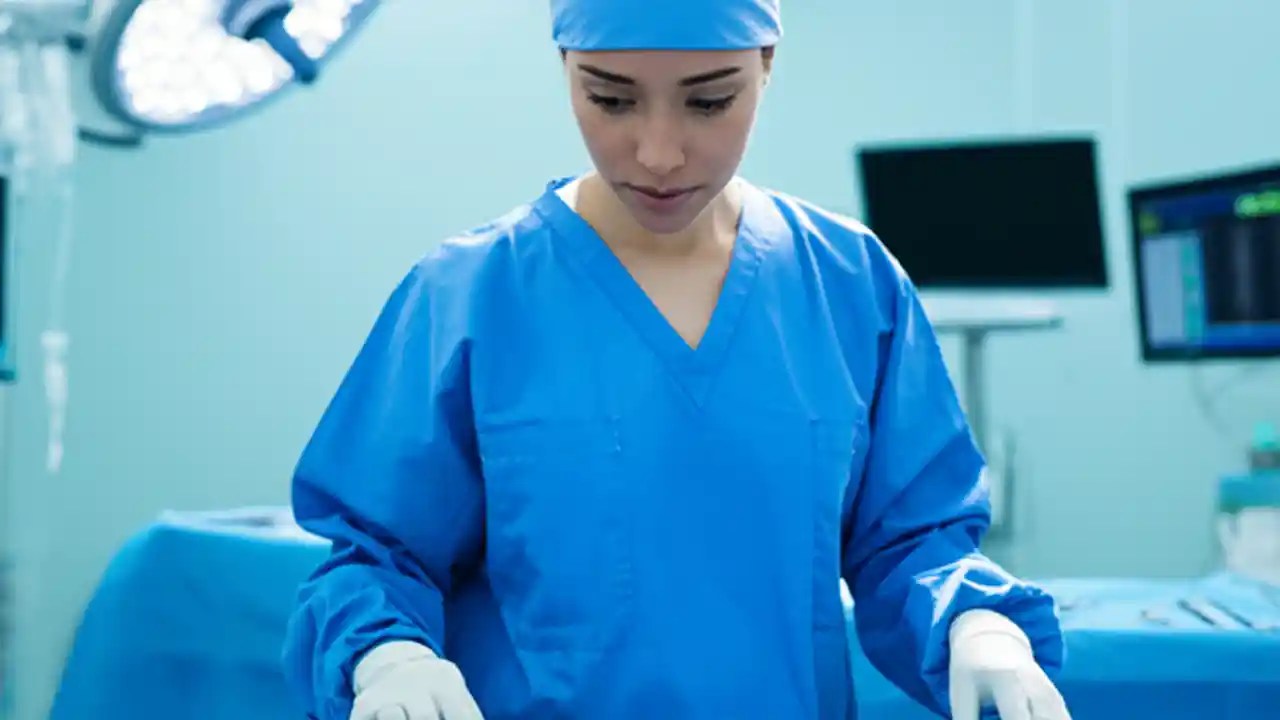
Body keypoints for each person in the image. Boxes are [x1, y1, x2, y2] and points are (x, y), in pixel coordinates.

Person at [281, 1, 1072, 719]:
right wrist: (387, 656)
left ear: (767, 64)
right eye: (612, 98)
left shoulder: (849, 286)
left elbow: (910, 541)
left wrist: (974, 624)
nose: (659, 153)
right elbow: (378, 555)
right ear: (564, 69)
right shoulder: (471, 296)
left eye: (708, 100)